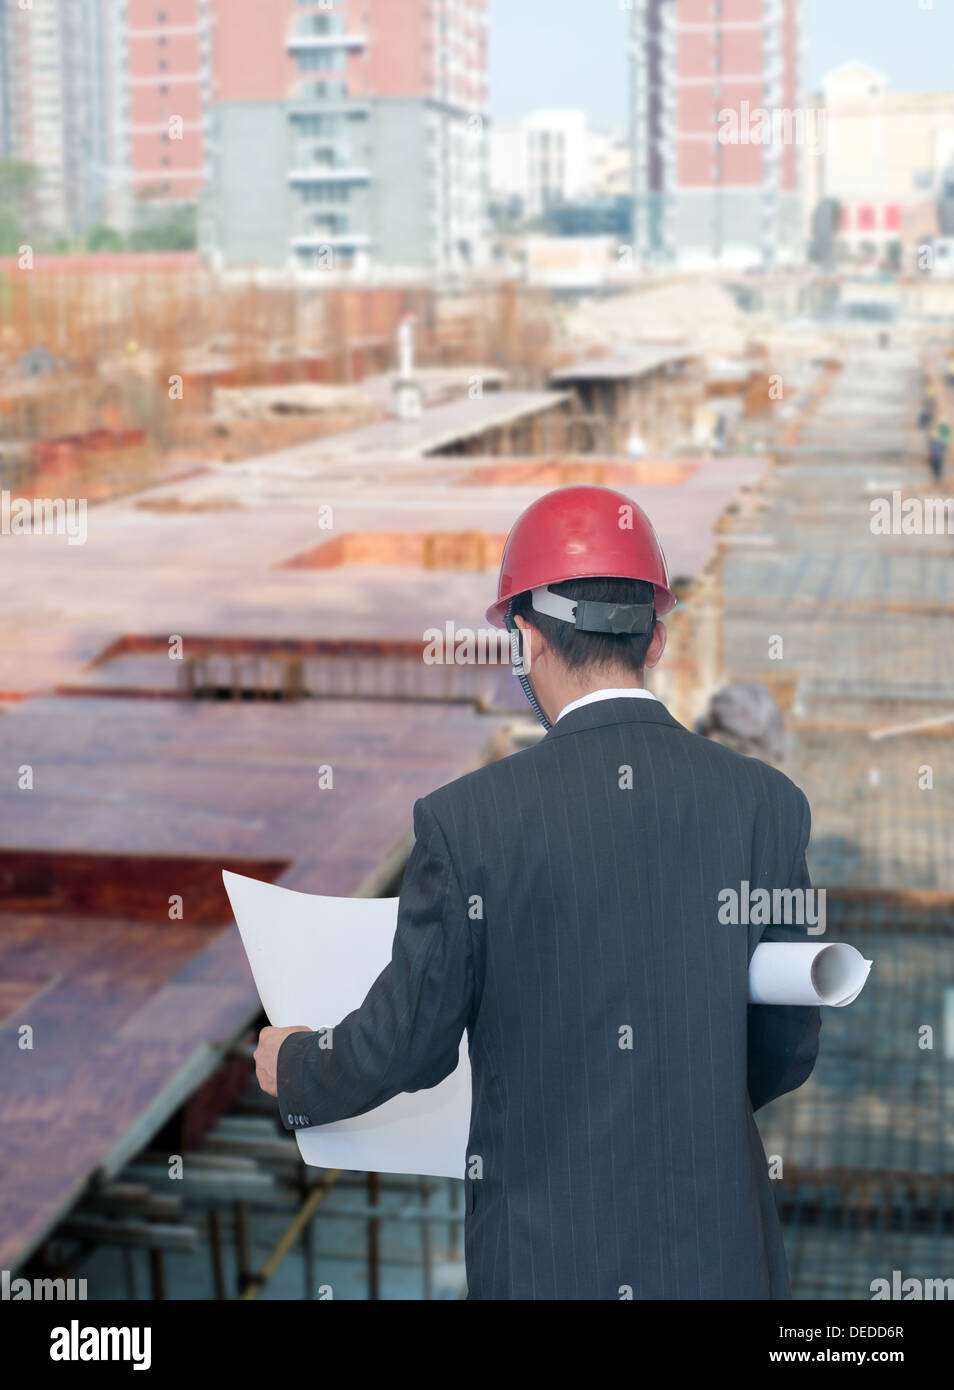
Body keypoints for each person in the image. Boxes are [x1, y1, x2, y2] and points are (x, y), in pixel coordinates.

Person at [254, 485, 821, 1300]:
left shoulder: (469, 822)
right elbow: (788, 1044)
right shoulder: (767, 805)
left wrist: (301, 1065)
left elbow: (408, 1044)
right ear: (655, 637)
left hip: (550, 1265)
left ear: (524, 638)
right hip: (721, 1261)